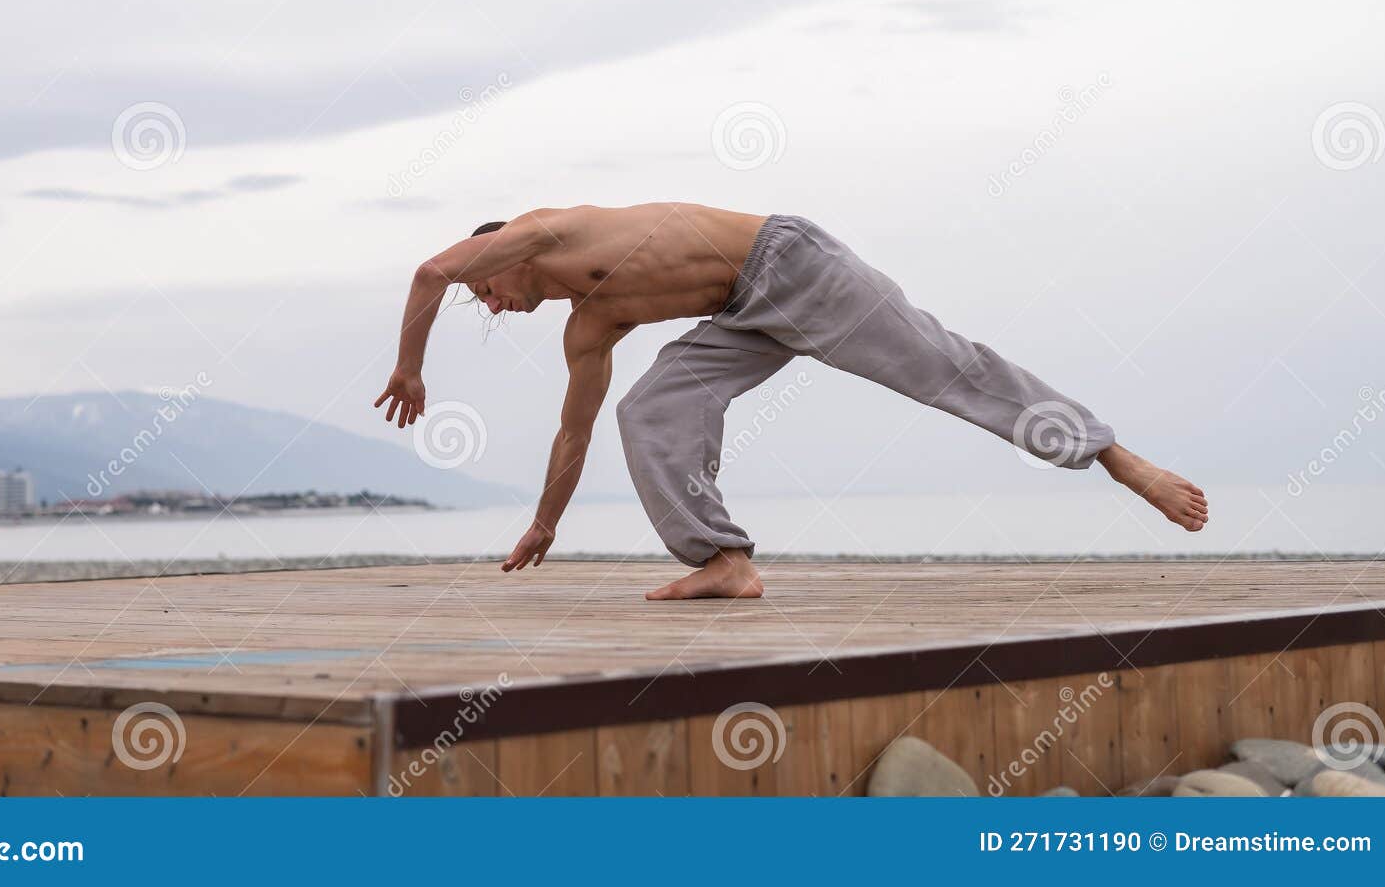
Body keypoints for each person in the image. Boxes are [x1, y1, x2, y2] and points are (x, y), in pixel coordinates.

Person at [374, 203, 1207, 600]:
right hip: (742, 316)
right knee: (649, 407)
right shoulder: (590, 324)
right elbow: (573, 431)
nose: (491, 305)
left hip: (793, 265)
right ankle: (724, 561)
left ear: (497, 249)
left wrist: (411, 369)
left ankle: (1115, 457)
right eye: (480, 306)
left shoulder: (545, 229)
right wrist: (546, 523)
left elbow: (429, 271)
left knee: (945, 368)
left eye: (486, 290)